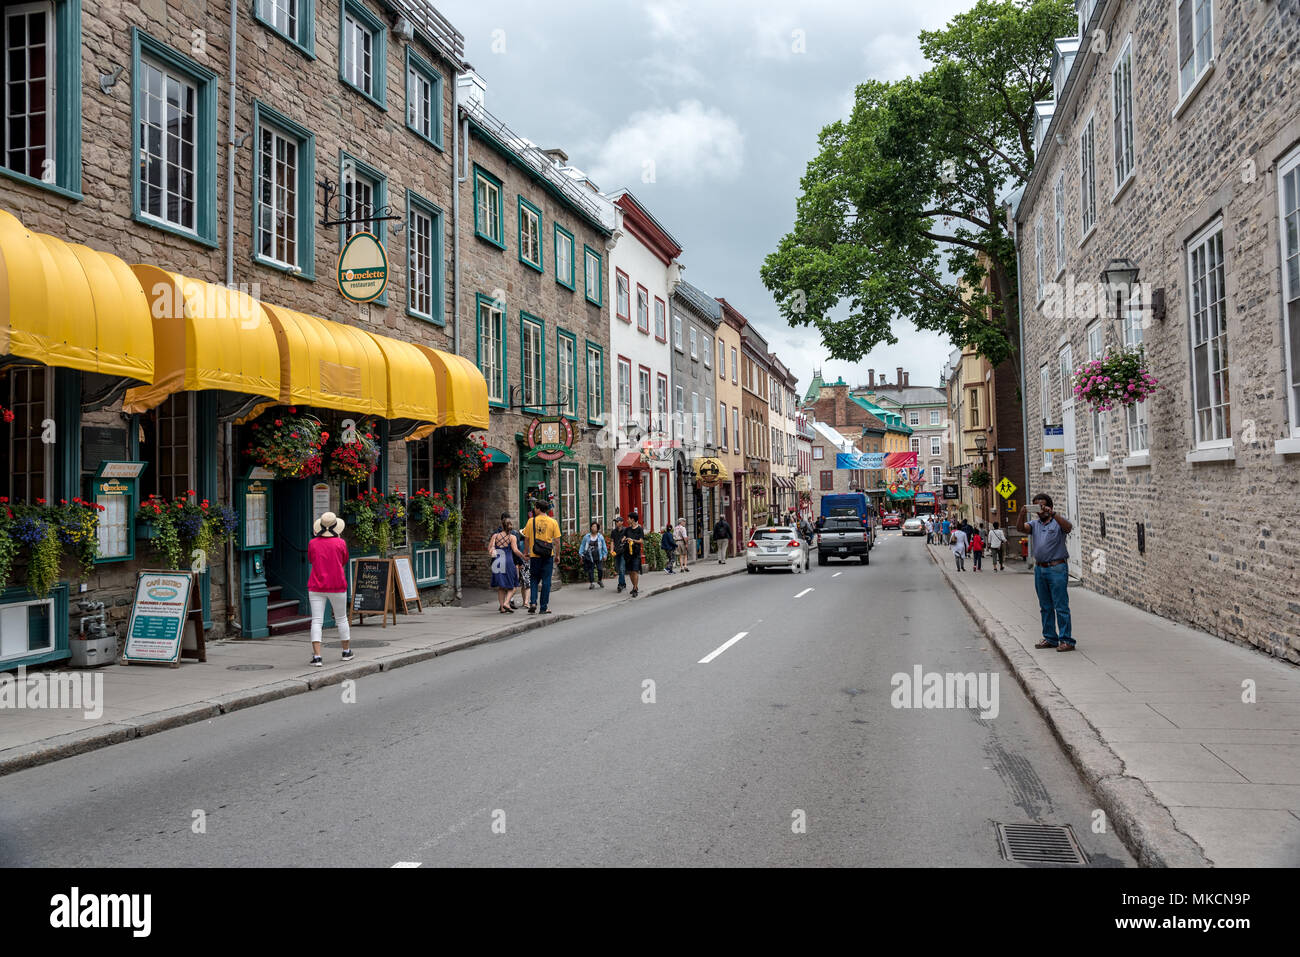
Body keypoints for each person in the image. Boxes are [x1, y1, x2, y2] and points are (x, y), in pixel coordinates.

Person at [1018, 493, 1075, 651]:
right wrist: (1021, 514)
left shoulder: (1057, 522)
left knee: (1061, 605)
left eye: (1043, 506)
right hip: (1040, 569)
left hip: (1057, 567)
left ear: (1050, 506)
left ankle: (1067, 640)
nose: (1041, 510)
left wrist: (1053, 514)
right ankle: (1050, 637)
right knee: (1045, 606)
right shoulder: (1035, 524)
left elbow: (1068, 527)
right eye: (1038, 506)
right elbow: (1021, 528)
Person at [307, 511, 352, 667]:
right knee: (341, 618)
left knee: (317, 620)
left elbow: (311, 559)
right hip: (337, 584)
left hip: (316, 584)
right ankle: (346, 652)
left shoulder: (313, 543)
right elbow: (344, 560)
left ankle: (317, 656)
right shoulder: (341, 543)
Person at [522, 501, 561, 614]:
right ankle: (543, 607)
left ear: (538, 509)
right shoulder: (553, 522)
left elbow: (526, 538)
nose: (534, 509)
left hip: (535, 555)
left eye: (535, 507)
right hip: (548, 555)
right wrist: (557, 555)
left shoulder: (531, 521)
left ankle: (533, 602)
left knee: (534, 579)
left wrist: (526, 552)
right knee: (546, 581)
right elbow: (557, 541)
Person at [489, 519, 525, 612]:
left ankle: (502, 608)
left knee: (501, 586)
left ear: (502, 525)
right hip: (508, 561)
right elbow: (515, 550)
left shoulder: (495, 536)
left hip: (497, 561)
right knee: (513, 585)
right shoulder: (512, 537)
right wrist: (523, 556)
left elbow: (490, 548)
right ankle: (506, 602)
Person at [579, 521, 608, 588]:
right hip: (589, 556)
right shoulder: (587, 537)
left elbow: (604, 546)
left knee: (600, 569)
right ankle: (591, 583)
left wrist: (605, 554)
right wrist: (581, 554)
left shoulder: (600, 537)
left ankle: (600, 580)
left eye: (595, 526)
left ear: (597, 528)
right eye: (592, 526)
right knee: (590, 570)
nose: (593, 528)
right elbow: (582, 545)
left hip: (599, 556)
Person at [624, 510, 645, 596]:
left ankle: (635, 588)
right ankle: (634, 586)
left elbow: (641, 541)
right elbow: (624, 537)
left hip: (636, 553)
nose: (627, 520)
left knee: (635, 570)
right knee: (630, 571)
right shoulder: (627, 529)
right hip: (628, 553)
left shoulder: (639, 529)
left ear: (632, 519)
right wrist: (624, 539)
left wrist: (633, 540)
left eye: (628, 518)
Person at [611, 514, 628, 592]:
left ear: (622, 522)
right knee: (618, 569)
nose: (616, 523)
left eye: (618, 521)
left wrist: (624, 538)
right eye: (616, 522)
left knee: (621, 569)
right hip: (616, 551)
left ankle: (620, 585)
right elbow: (612, 541)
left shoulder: (626, 530)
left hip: (624, 552)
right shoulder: (613, 531)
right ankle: (623, 583)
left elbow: (629, 538)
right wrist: (611, 550)